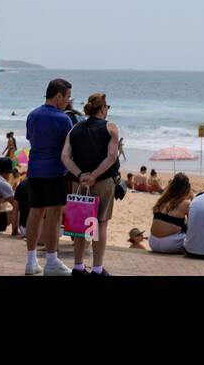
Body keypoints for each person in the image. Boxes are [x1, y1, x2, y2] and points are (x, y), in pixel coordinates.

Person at [60, 92, 121, 276]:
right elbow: (112, 157)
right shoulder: (110, 127)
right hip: (102, 182)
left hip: (79, 183)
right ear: (102, 108)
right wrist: (94, 175)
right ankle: (97, 268)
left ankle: (78, 267)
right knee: (100, 223)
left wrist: (80, 175)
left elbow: (64, 156)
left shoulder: (75, 128)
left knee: (81, 225)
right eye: (107, 107)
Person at [23, 78, 74, 276]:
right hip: (55, 172)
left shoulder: (32, 115)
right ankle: (51, 261)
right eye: (67, 97)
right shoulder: (63, 119)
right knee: (53, 217)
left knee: (35, 214)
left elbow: (30, 138)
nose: (68, 102)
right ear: (58, 95)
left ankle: (31, 260)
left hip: (35, 170)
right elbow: (69, 146)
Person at [149, 172, 193, 253]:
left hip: (153, 242)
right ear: (186, 188)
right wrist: (192, 197)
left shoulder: (162, 200)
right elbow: (192, 225)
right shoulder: (186, 203)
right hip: (170, 244)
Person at [0, 157, 19, 233]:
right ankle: (15, 231)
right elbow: (16, 204)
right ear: (7, 173)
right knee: (17, 208)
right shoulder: (3, 183)